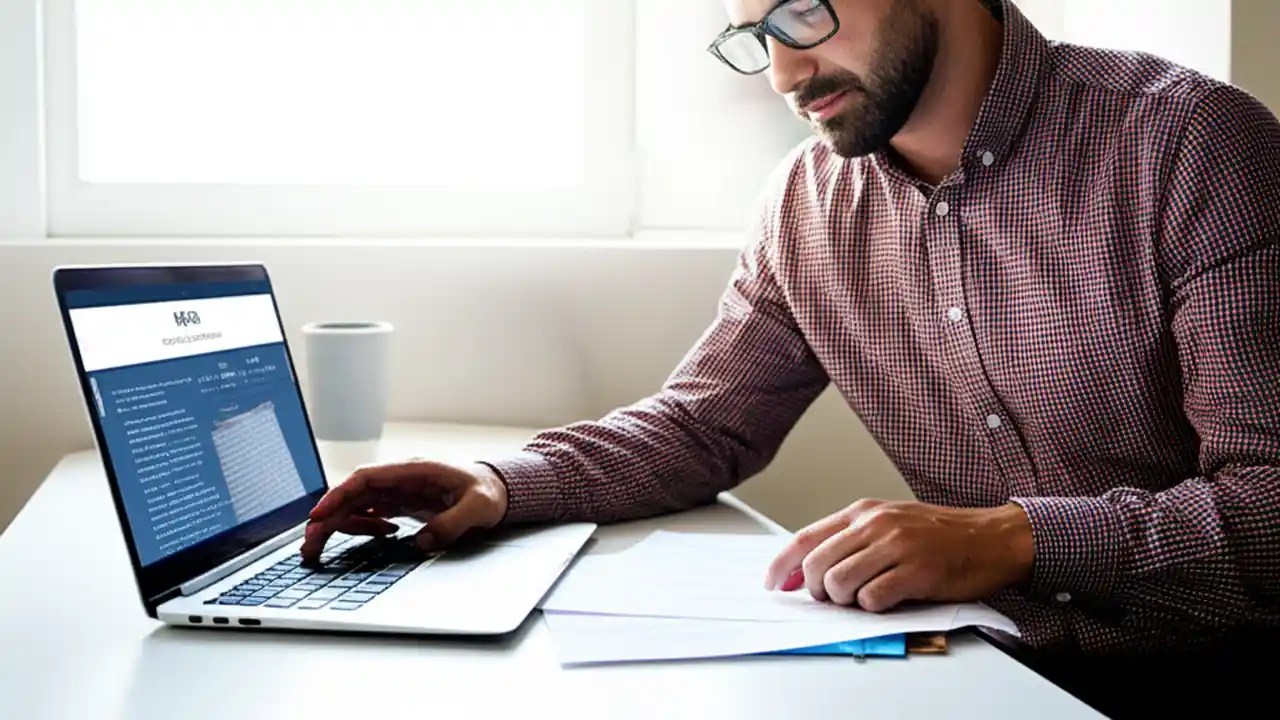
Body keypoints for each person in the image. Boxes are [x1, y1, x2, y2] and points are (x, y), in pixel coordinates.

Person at [302, 0, 1280, 714]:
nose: (780, 75)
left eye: (802, 15)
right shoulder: (807, 199)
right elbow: (701, 424)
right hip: (970, 674)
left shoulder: (1184, 143)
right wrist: (496, 483)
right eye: (752, 38)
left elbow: (1270, 515)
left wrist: (1004, 539)